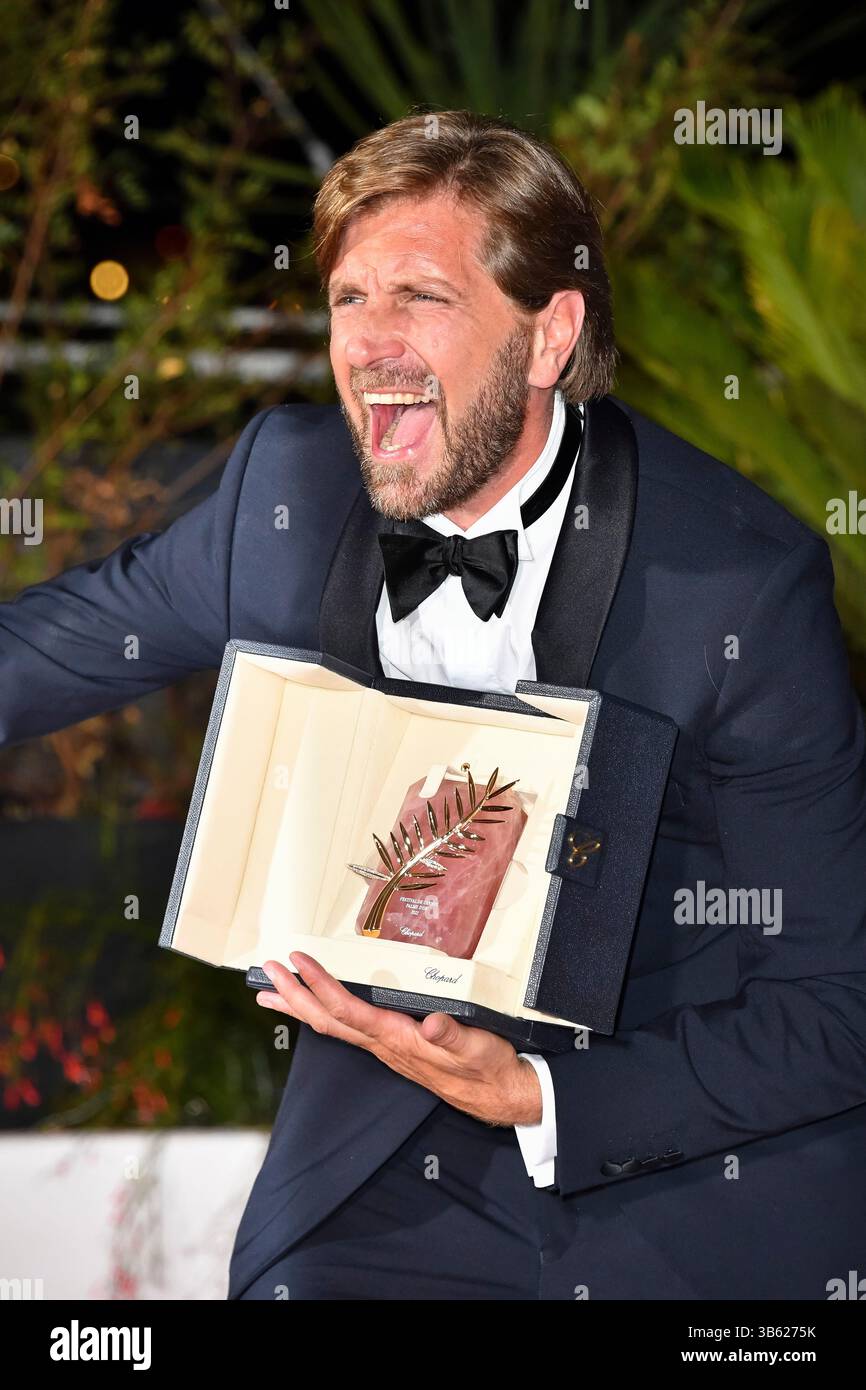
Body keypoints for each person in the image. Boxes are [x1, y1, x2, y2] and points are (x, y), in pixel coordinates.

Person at [2, 111, 864, 1301]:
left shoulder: (732, 583)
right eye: (349, 298)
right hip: (383, 1149)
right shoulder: (284, 495)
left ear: (547, 333)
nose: (370, 342)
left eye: (421, 296)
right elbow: (54, 647)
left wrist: (536, 1093)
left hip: (671, 1147)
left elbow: (834, 1006)